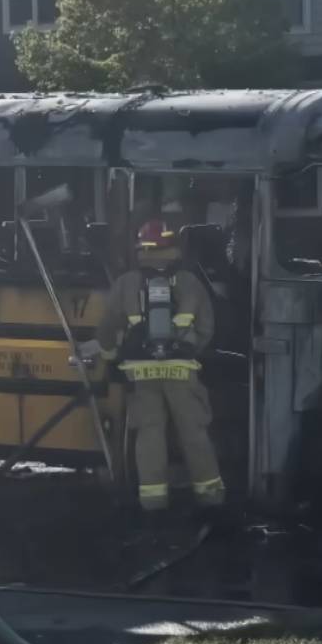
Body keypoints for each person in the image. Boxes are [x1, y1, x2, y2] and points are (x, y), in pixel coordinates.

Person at [80, 220, 225, 513]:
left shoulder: (126, 283)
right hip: (182, 370)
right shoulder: (189, 282)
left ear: (140, 249)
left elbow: (107, 329)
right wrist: (188, 349)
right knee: (194, 432)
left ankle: (153, 501)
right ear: (173, 247)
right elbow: (208, 326)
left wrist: (110, 357)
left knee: (149, 434)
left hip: (141, 371)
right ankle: (210, 497)